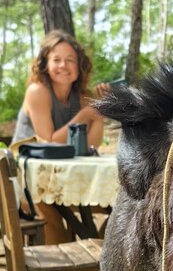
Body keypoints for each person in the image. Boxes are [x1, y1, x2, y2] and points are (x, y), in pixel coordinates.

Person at [13, 29, 108, 249]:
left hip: (62, 177)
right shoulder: (37, 92)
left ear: (79, 66)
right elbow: (48, 141)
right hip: (23, 179)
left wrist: (100, 113)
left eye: (70, 60)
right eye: (56, 59)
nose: (63, 65)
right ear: (45, 64)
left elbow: (90, 146)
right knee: (47, 207)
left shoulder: (82, 96)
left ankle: (94, 265)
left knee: (119, 204)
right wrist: (85, 115)